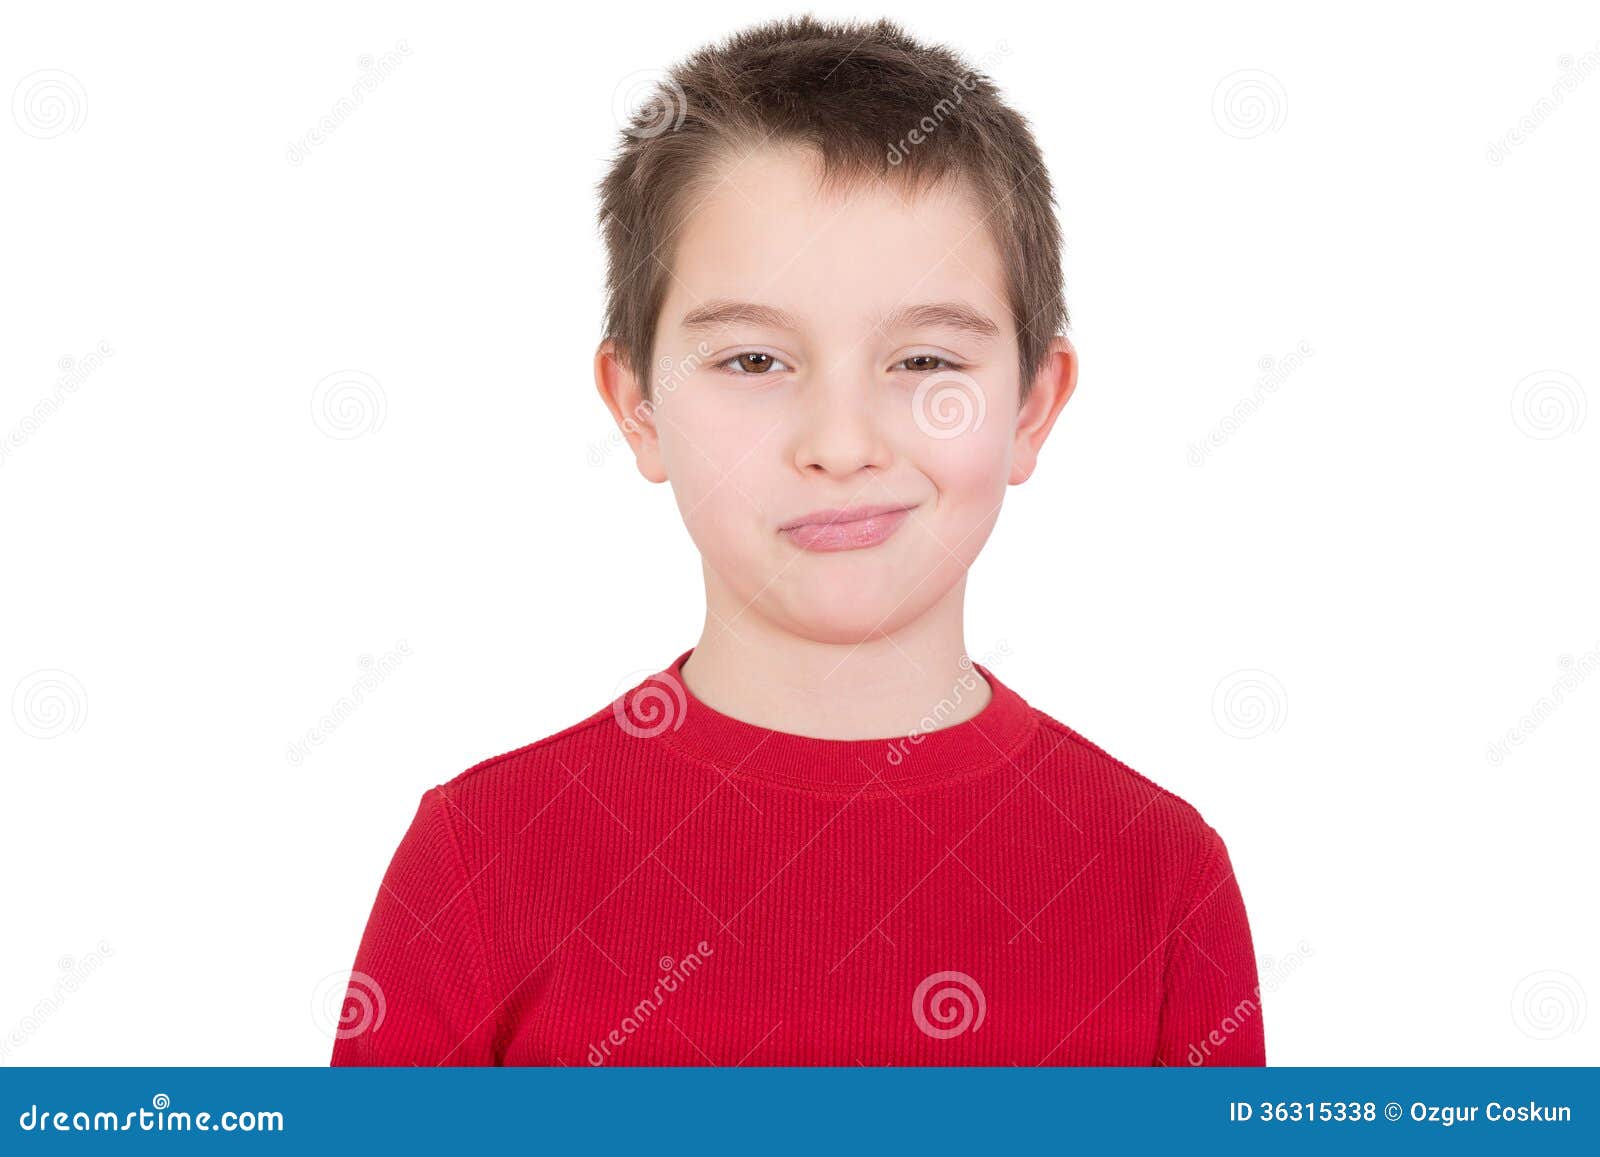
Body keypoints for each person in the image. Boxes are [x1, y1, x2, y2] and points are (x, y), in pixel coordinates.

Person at [331, 14, 1264, 1067]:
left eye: (921, 362)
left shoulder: (1155, 872)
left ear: (1032, 407)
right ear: (638, 405)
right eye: (753, 362)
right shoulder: (482, 858)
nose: (839, 442)